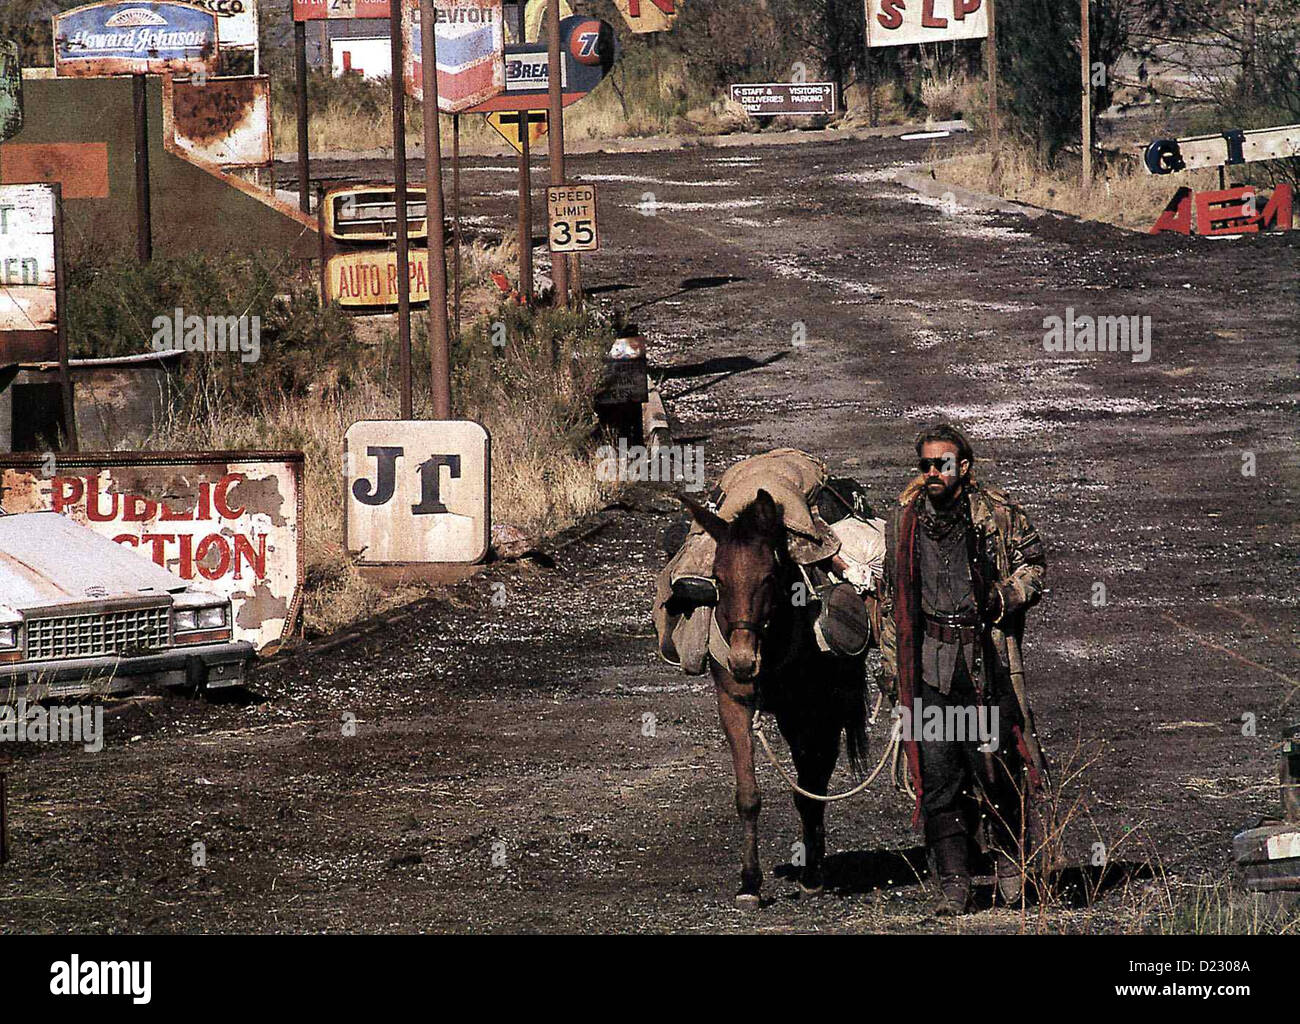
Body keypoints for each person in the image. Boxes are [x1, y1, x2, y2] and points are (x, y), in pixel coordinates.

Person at [878, 422, 1050, 915]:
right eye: (925, 465)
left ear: (963, 467)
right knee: (938, 778)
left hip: (983, 664)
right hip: (930, 667)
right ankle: (954, 888)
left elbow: (1034, 565)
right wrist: (893, 675)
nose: (932, 473)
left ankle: (1013, 876)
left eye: (942, 464)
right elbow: (894, 602)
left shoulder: (996, 514)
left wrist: (1004, 596)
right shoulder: (904, 520)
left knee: (997, 772)